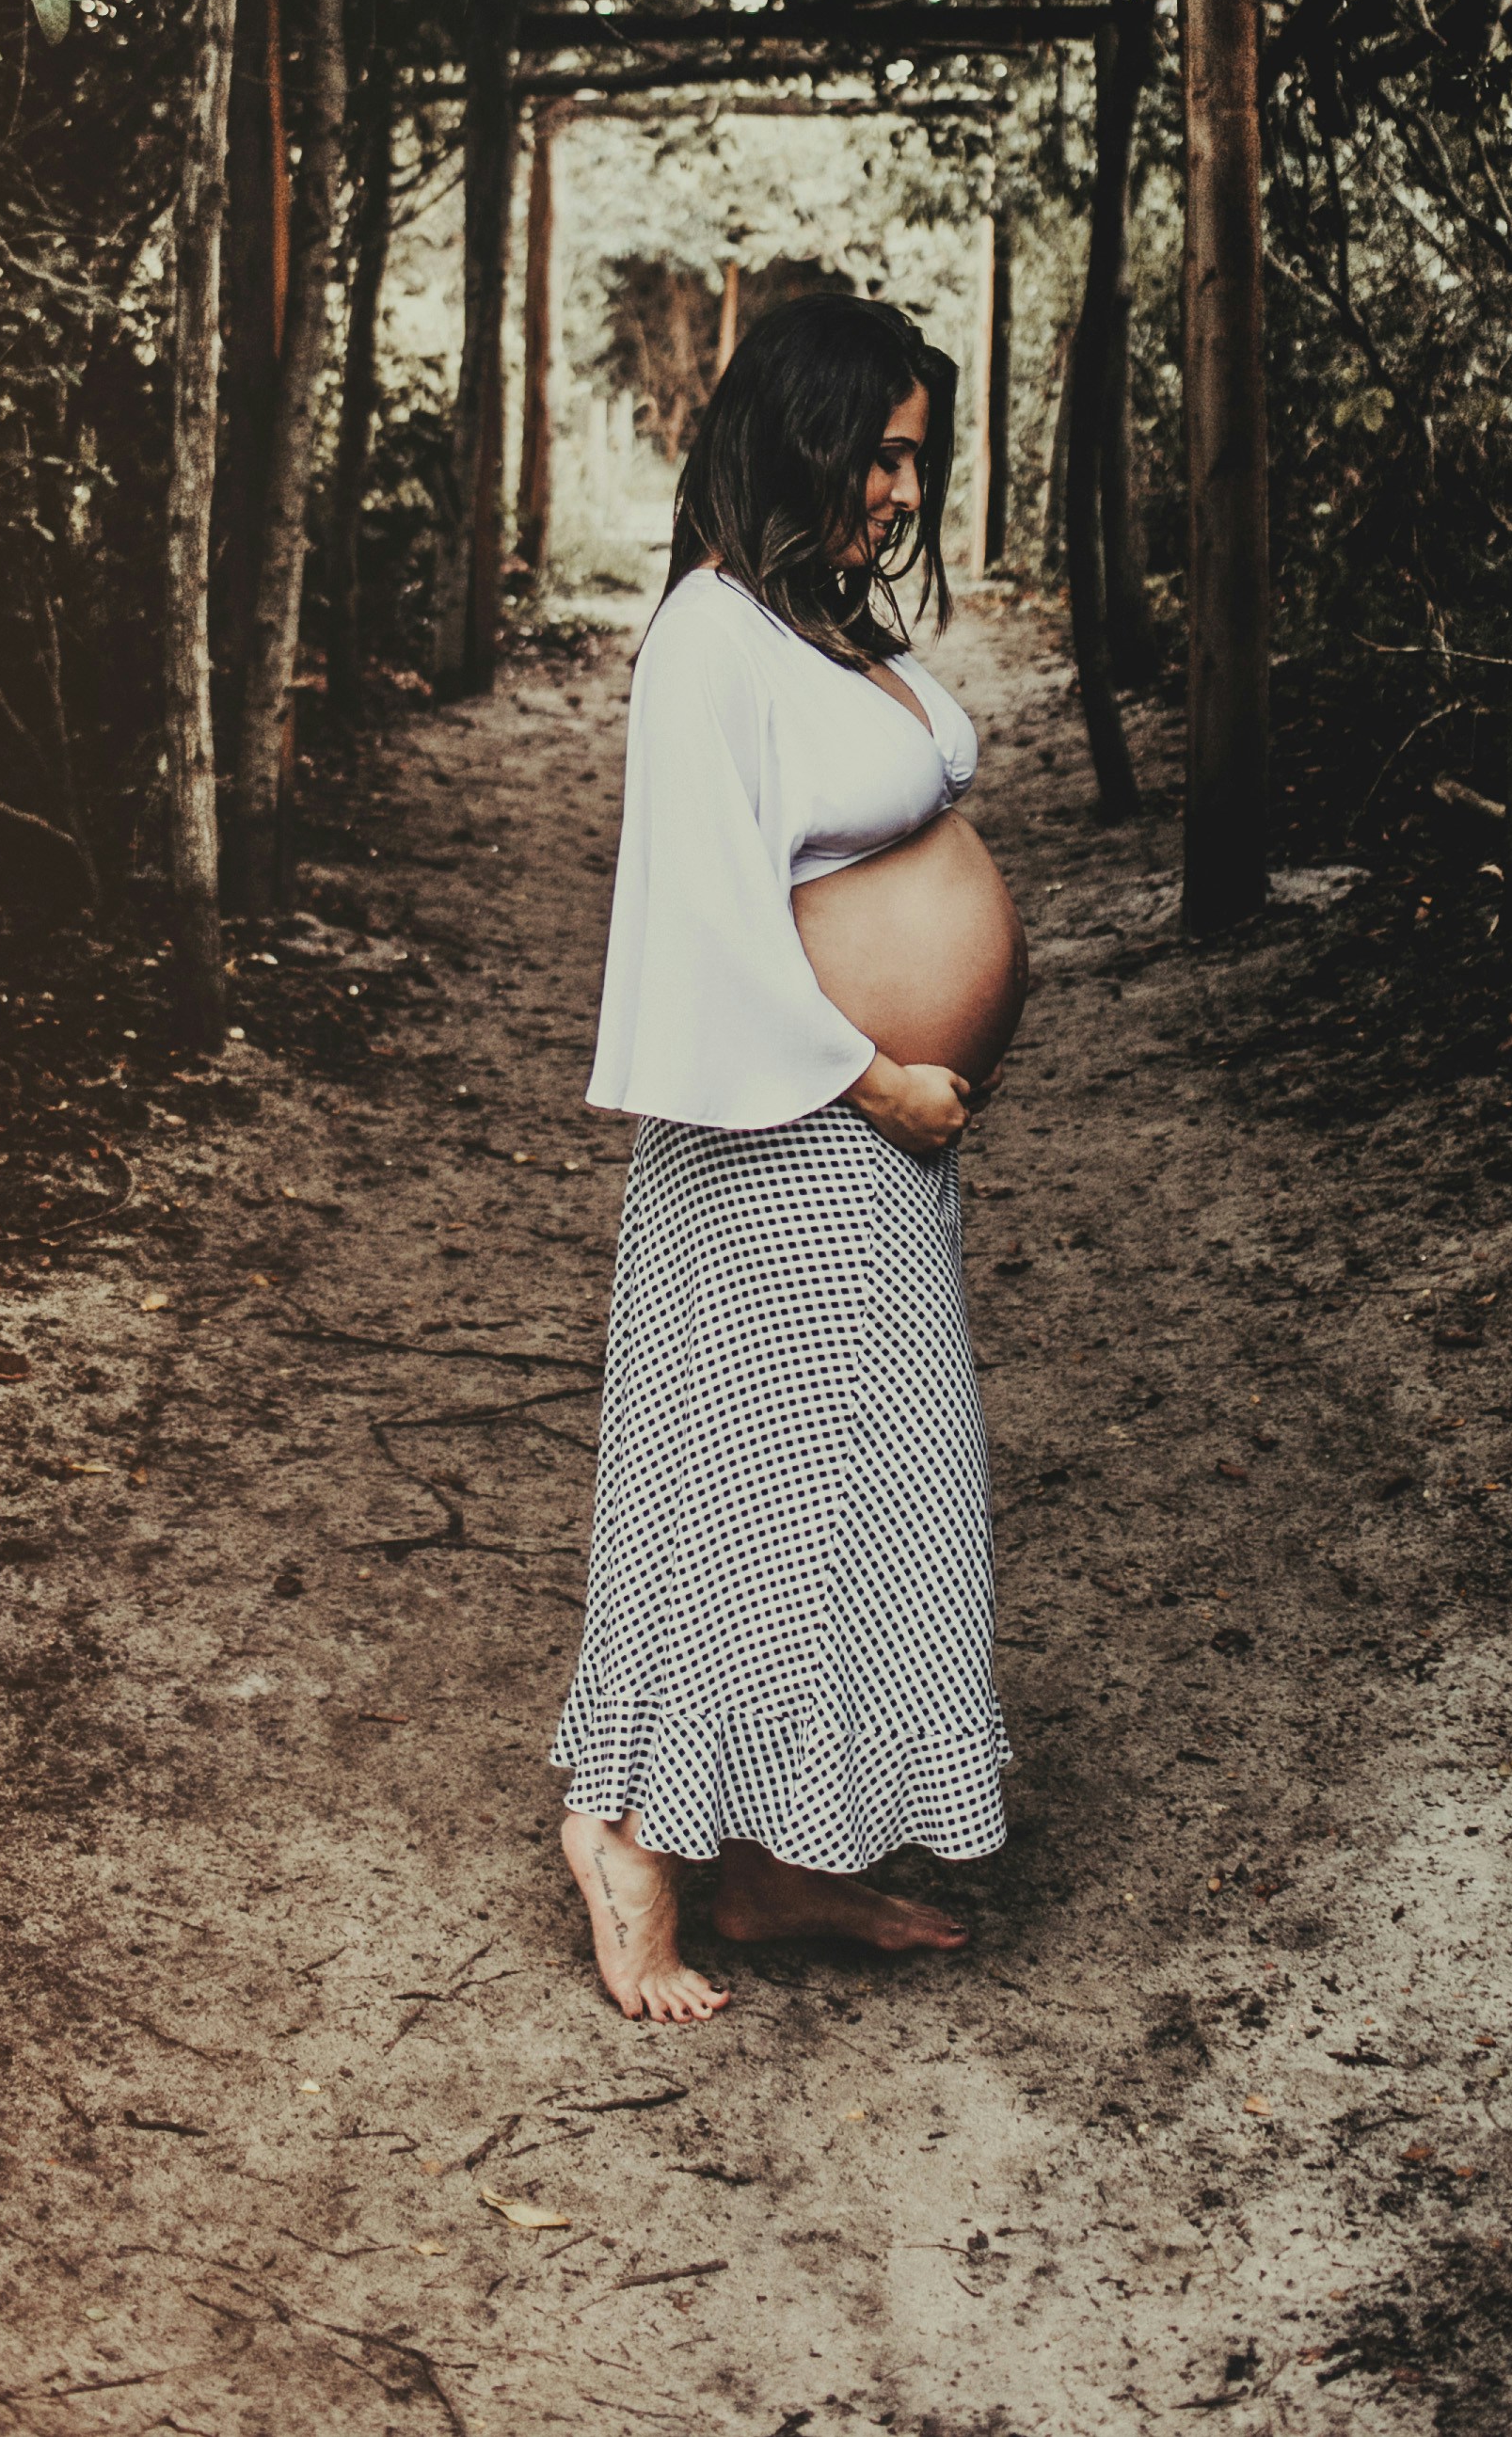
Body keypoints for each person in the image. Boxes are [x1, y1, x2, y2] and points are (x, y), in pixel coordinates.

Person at [551, 293, 1030, 2022]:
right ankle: (627, 1835)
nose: (904, 489)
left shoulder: (818, 627)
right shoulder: (708, 635)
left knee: (848, 1500)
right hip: (789, 1134)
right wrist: (870, 1076)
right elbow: (702, 917)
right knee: (734, 1490)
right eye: (882, 450)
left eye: (918, 457)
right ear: (804, 433)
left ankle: (762, 1861)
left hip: (872, 1147)